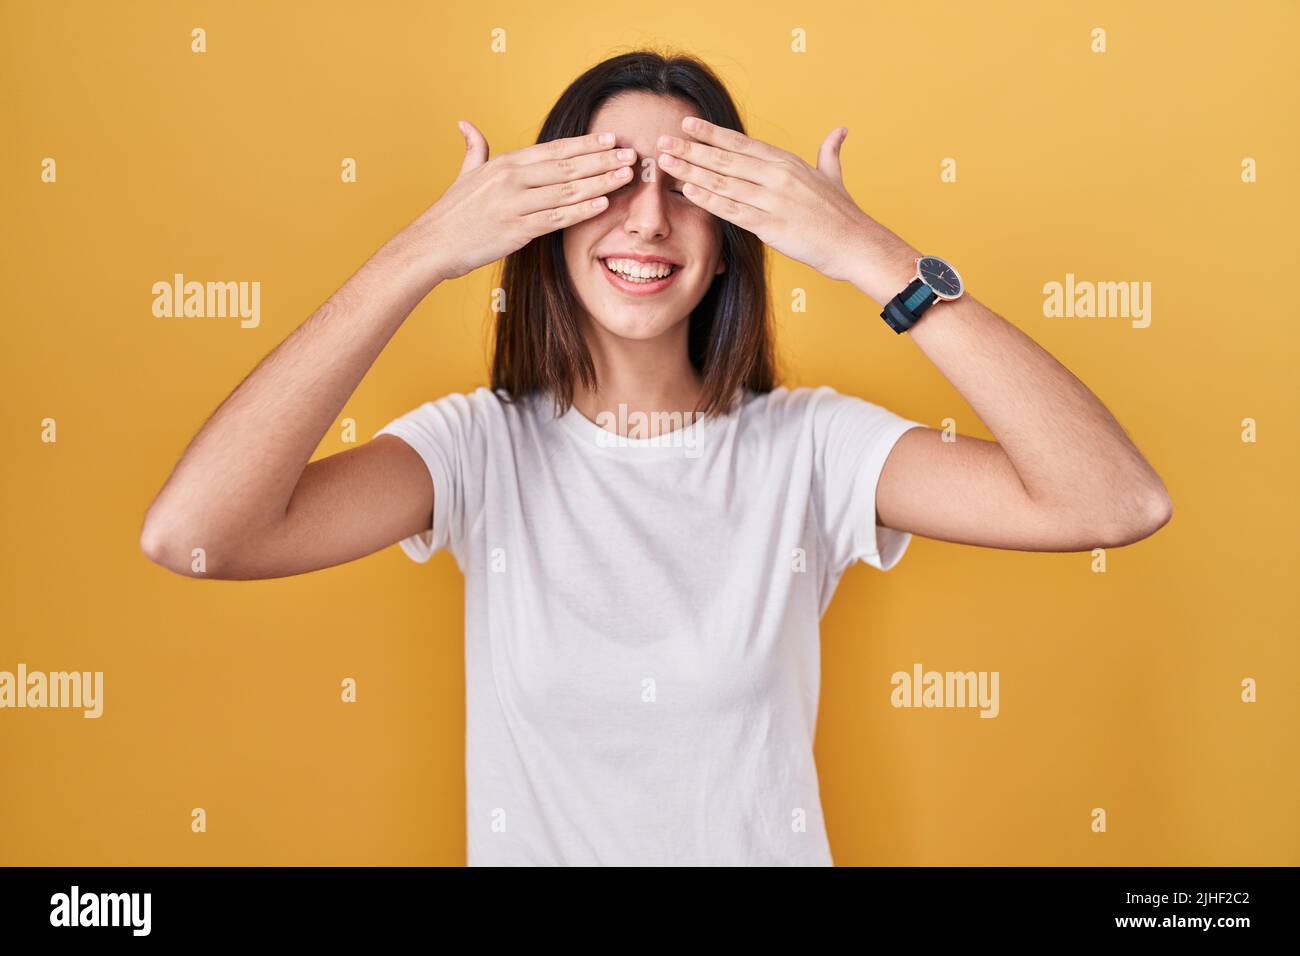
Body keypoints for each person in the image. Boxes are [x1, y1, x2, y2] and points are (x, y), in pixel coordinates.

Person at [140, 51, 1172, 865]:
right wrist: (419, 252)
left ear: (730, 236)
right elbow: (197, 536)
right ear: (542, 219)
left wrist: (869, 255)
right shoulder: (478, 447)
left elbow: (1113, 501)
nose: (645, 218)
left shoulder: (809, 446)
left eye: (686, 187)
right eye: (608, 181)